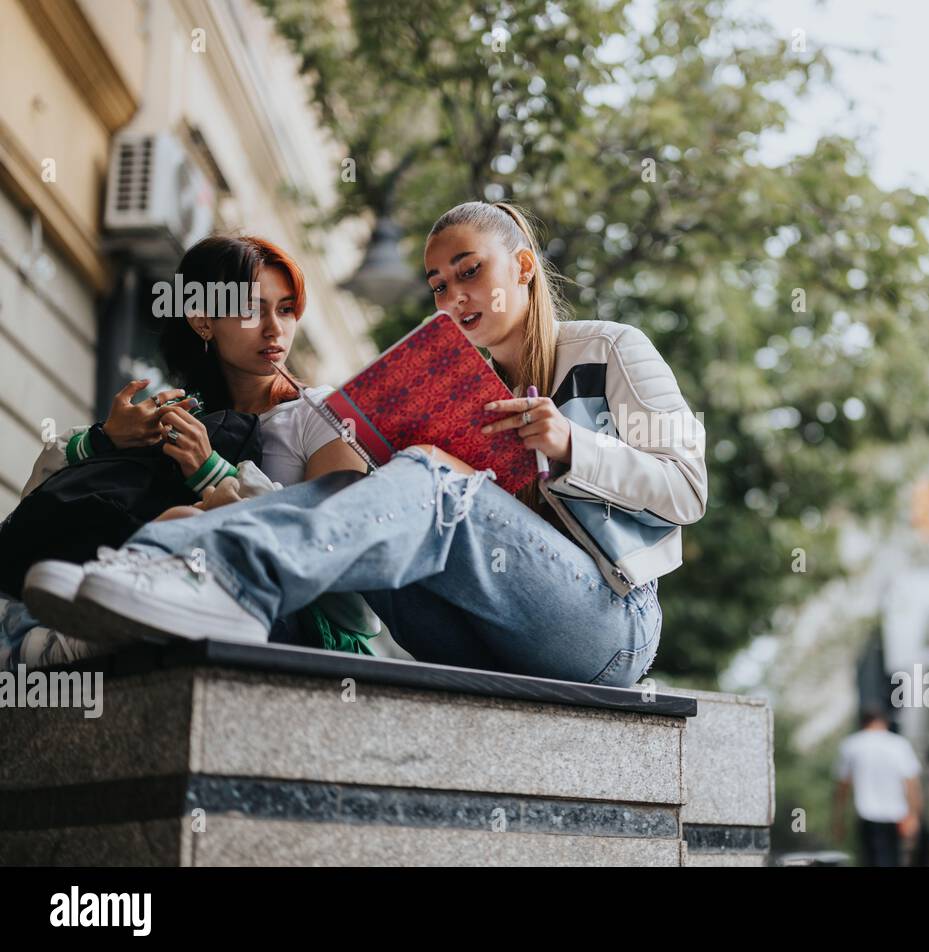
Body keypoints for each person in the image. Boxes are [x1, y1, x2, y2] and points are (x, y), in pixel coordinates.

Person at [26, 201, 708, 688]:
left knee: (430, 477)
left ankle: (225, 579)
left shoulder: (611, 349)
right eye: (439, 285)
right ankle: (161, 569)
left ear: (523, 266)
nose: (453, 297)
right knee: (368, 487)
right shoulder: (456, 381)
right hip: (471, 629)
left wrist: (569, 446)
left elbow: (688, 487)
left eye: (470, 272)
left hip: (607, 626)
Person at [5, 235, 370, 669]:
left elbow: (343, 556)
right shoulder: (179, 412)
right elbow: (40, 506)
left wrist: (212, 473)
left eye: (287, 309)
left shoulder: (324, 412)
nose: (275, 328)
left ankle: (68, 643)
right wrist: (104, 441)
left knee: (184, 525)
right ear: (202, 321)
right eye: (252, 309)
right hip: (176, 604)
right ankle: (70, 633)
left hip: (297, 625)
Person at [833, 705, 923, 866]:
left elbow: (843, 786)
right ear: (885, 722)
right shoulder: (899, 744)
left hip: (867, 815)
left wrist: (838, 819)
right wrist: (913, 815)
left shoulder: (851, 745)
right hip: (896, 815)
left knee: (871, 860)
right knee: (892, 860)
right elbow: (911, 783)